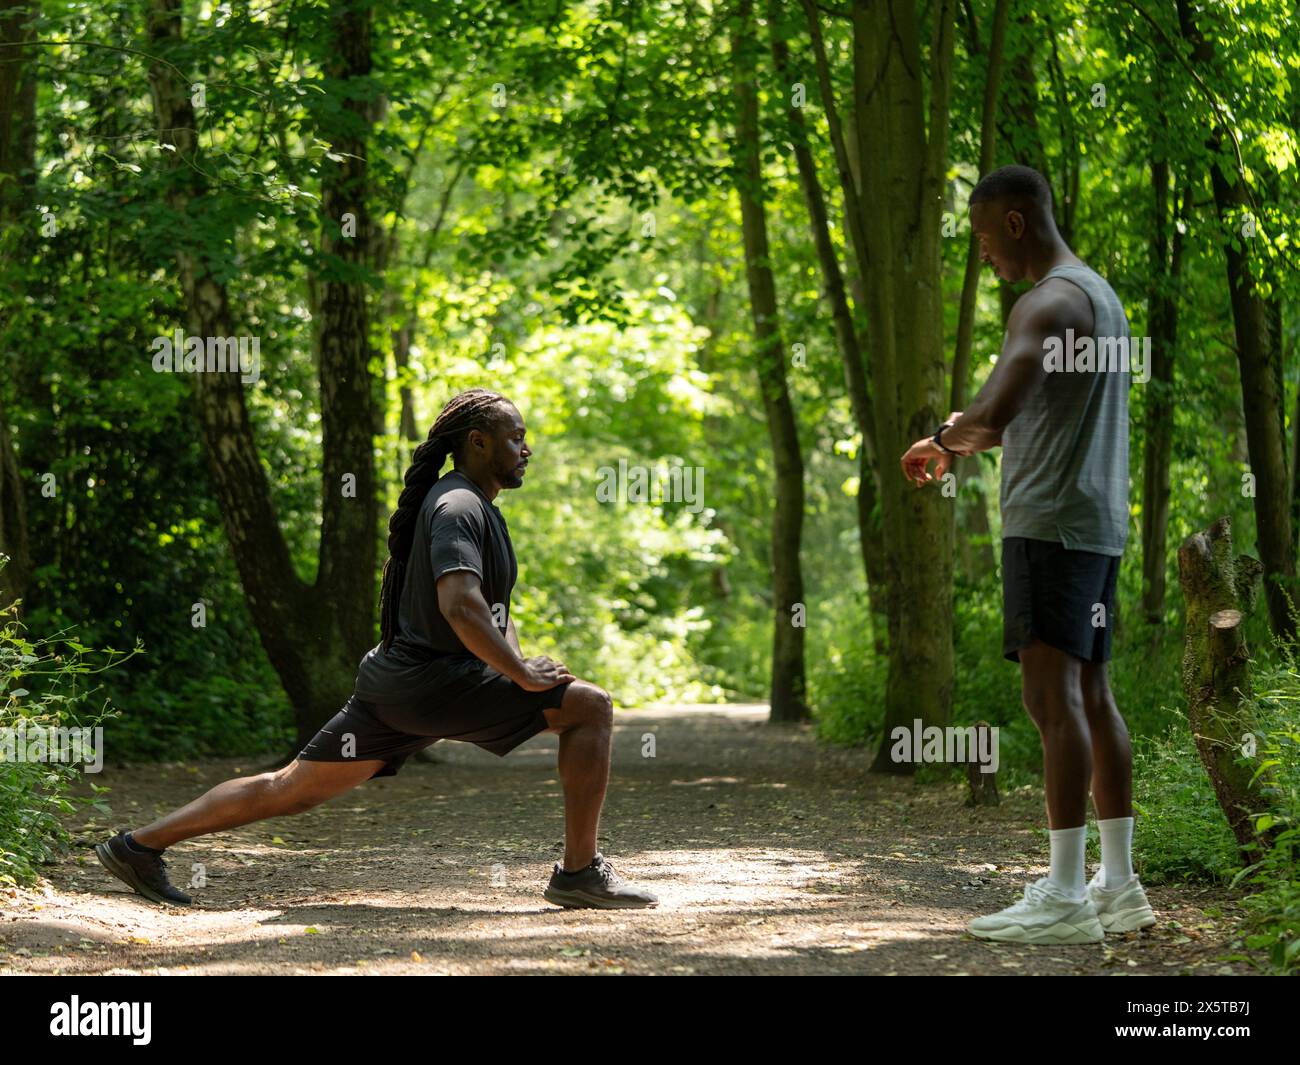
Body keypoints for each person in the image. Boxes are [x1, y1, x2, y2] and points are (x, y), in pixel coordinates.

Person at [96, 388, 657, 910]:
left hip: (398, 687)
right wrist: (520, 674)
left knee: (290, 788)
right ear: (477, 442)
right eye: (514, 437)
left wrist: (519, 667)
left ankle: (137, 847)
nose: (525, 448)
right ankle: (579, 873)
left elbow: (488, 609)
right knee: (590, 706)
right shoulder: (458, 506)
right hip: (436, 685)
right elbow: (459, 604)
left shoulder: (471, 507)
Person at [900, 165, 1155, 944]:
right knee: (1094, 696)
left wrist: (943, 440)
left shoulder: (1042, 302)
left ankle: (1067, 896)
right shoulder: (1099, 298)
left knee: (1051, 703)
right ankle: (1118, 884)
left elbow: (999, 409)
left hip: (1048, 521)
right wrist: (974, 422)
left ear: (1015, 223)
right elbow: (1027, 410)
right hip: (1098, 520)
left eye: (982, 236)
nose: (982, 253)